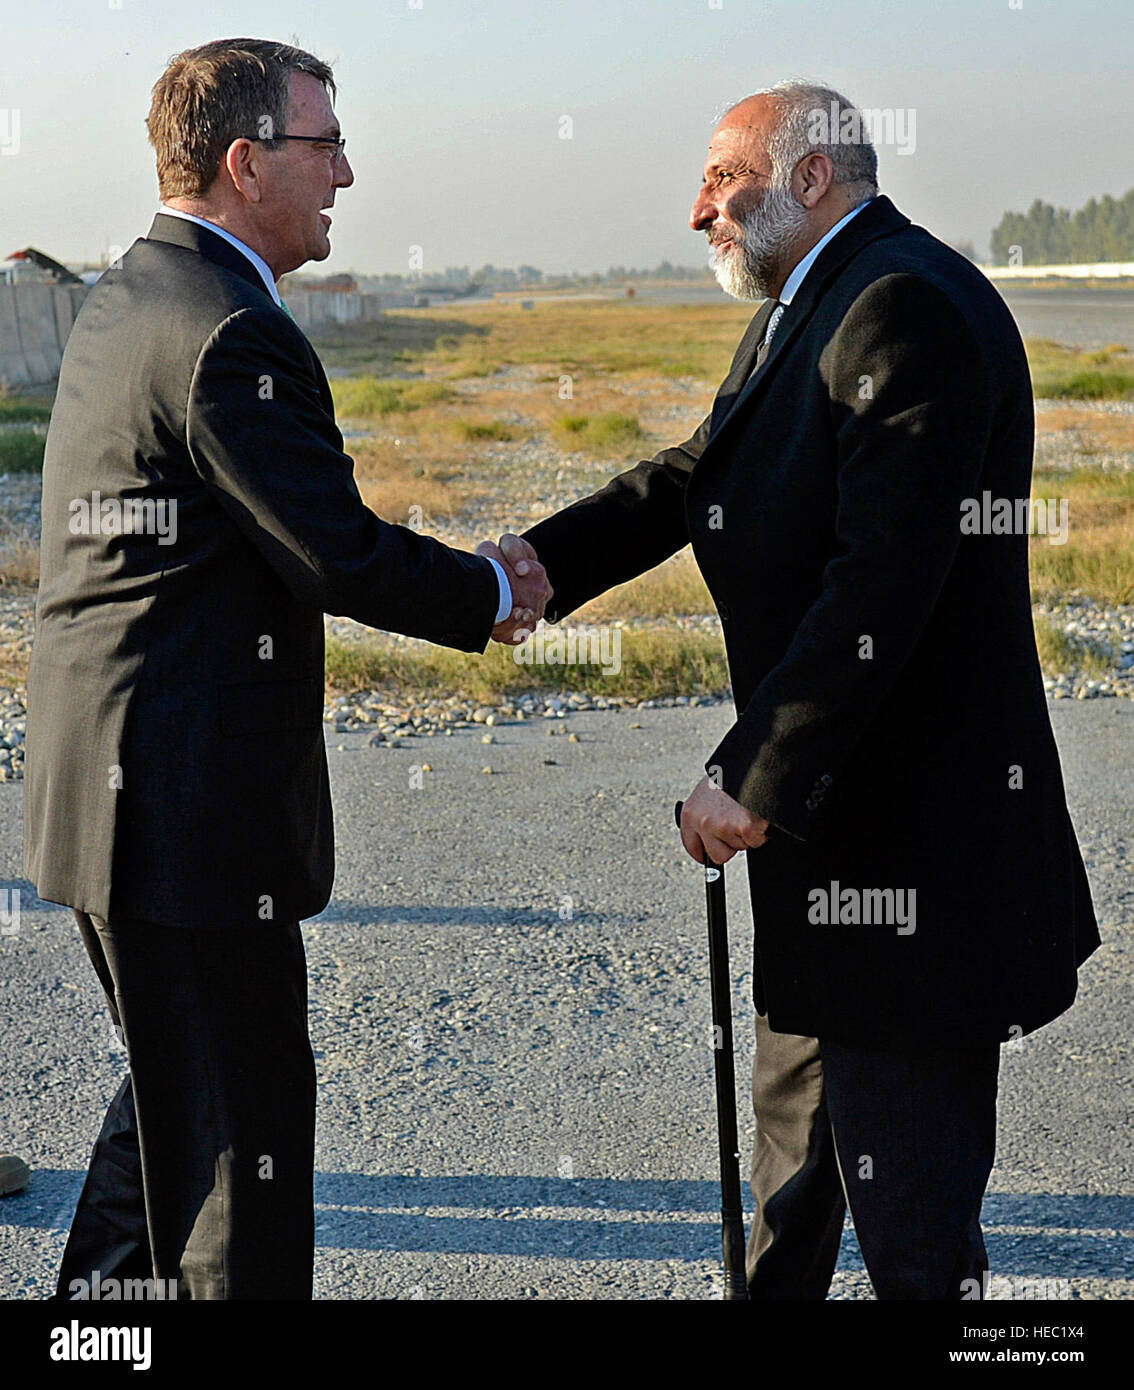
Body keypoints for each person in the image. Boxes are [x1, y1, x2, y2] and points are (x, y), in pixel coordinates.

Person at [484, 81, 1099, 1300]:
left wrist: (748, 776)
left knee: (915, 1231)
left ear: (810, 176)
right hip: (832, 850)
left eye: (724, 176)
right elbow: (698, 474)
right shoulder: (812, 299)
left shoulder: (904, 307)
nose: (698, 205)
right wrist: (542, 564)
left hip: (909, 858)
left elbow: (883, 590)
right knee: (794, 1191)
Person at [25, 37, 551, 1300]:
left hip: (115, 799)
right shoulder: (228, 327)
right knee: (238, 1164)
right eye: (326, 147)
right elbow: (339, 552)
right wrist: (489, 588)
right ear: (246, 159)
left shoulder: (129, 290)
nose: (349, 174)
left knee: (174, 1100)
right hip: (187, 819)